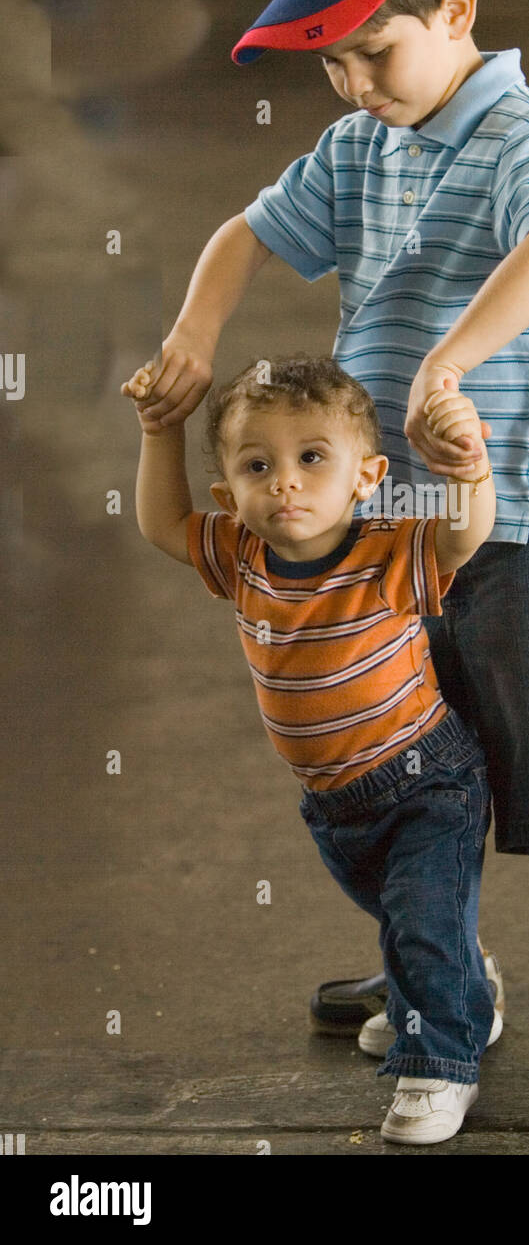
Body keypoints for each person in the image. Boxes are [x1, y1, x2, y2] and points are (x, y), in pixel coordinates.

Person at [122, 0, 529, 1132]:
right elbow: (243, 232)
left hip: (523, 518)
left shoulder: (525, 136)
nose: (358, 85)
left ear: (459, 12)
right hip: (395, 523)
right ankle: (440, 968)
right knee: (429, 755)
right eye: (331, 64)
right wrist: (200, 330)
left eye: (375, 51)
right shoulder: (364, 142)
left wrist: (450, 362)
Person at [126, 351, 504, 1145]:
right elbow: (163, 524)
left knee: (421, 918)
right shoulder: (242, 555)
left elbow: (465, 535)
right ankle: (457, 990)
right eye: (259, 465)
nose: (286, 482)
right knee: (405, 920)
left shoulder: (385, 551)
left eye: (311, 459)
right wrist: (161, 429)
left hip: (425, 779)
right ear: (229, 495)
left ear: (365, 478)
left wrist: (469, 467)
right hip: (336, 802)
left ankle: (440, 1064)